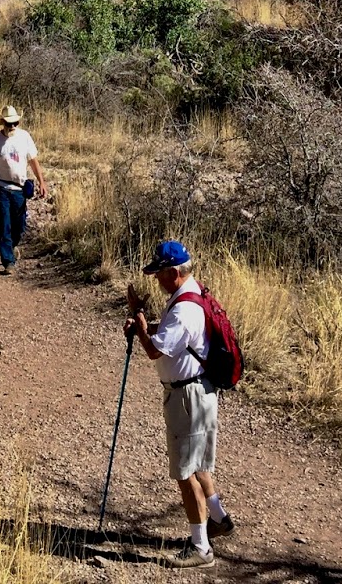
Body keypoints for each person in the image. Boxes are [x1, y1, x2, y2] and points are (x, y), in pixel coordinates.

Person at [124, 240, 234, 569]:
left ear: (173, 272)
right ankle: (219, 519)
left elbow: (155, 350)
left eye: (159, 274)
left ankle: (201, 548)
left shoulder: (184, 309)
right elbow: (174, 338)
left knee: (186, 474)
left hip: (187, 397)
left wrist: (139, 322)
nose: (156, 280)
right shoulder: (192, 293)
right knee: (199, 465)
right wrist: (146, 327)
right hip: (199, 393)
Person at [0, 104, 46, 274]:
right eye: (9, 123)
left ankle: (13, 245)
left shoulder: (25, 137)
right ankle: (8, 261)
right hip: (1, 187)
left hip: (20, 188)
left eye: (15, 123)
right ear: (3, 123)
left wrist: (41, 182)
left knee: (19, 224)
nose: (12, 126)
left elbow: (33, 161)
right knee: (4, 224)